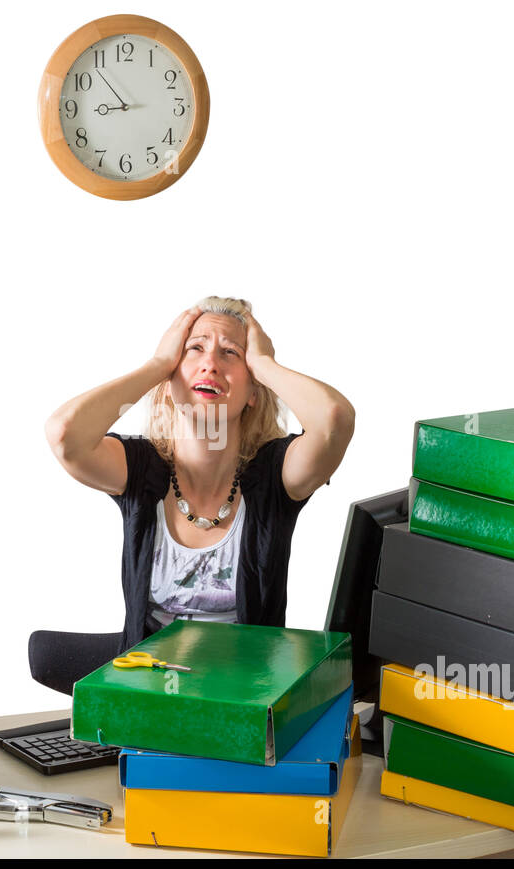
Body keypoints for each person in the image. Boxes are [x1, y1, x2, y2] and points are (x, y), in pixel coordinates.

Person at [30, 297, 356, 694]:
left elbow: (334, 419)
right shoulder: (140, 470)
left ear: (253, 389)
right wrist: (156, 366)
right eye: (195, 349)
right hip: (150, 694)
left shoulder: (274, 476)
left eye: (231, 353)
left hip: (243, 701)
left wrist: (266, 364)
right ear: (172, 379)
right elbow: (64, 433)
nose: (211, 364)